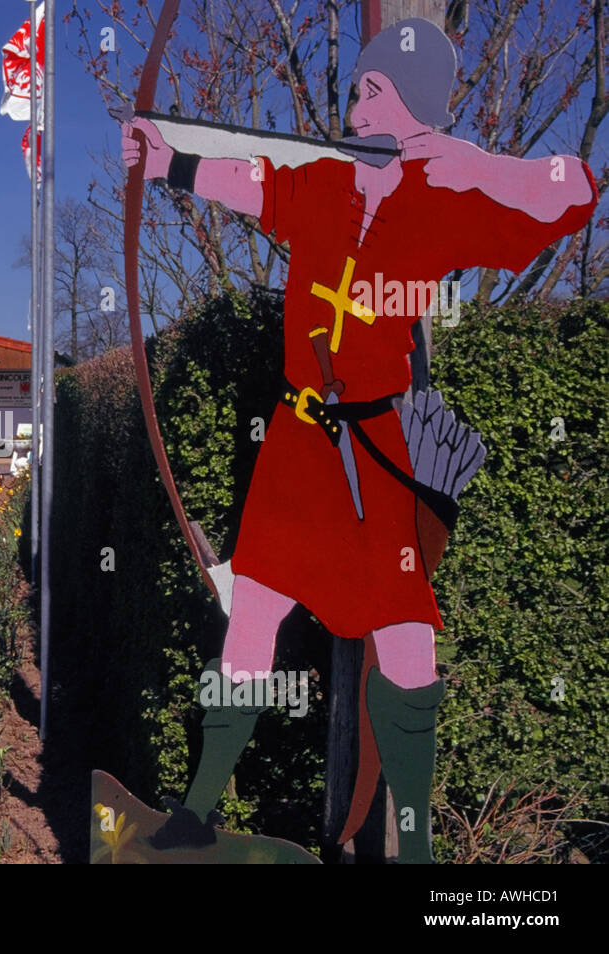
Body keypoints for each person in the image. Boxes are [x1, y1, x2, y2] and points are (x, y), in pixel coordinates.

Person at [122, 18, 597, 862]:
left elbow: (576, 190)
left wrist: (478, 163)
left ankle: (412, 848)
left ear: (411, 109)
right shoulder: (324, 186)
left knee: (406, 637)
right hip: (299, 446)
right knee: (252, 617)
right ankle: (196, 812)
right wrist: (167, 160)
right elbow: (252, 180)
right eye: (356, 90)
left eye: (371, 91)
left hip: (378, 456)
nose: (353, 102)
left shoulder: (445, 203)